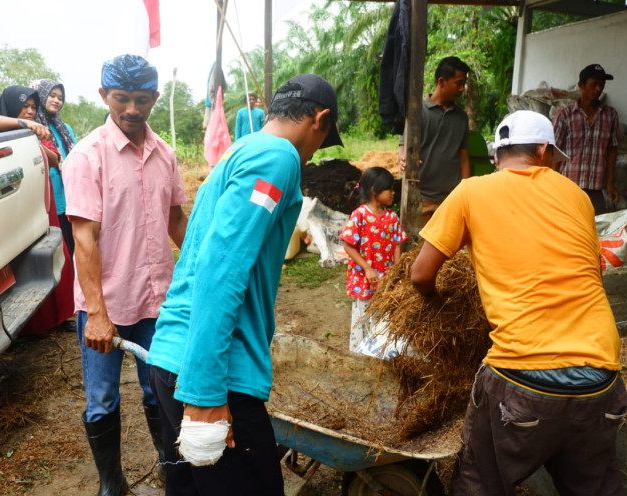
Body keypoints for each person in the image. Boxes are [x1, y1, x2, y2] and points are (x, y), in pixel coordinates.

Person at [410, 110, 627, 496]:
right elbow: (592, 271)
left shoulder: (471, 191)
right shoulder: (578, 197)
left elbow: (420, 275)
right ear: (544, 150)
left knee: (480, 484)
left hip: (522, 375)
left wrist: (436, 303)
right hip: (601, 375)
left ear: (497, 155)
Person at [146, 74, 343, 495]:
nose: (311, 157)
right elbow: (221, 268)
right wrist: (204, 392)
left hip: (171, 358)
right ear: (319, 119)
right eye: (321, 142)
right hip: (213, 374)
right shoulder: (278, 156)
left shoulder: (239, 151)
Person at [62, 54, 188, 496]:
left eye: (140, 100)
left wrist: (197, 274)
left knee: (161, 391)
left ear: (154, 97)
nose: (131, 110)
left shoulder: (165, 154)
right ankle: (111, 484)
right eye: (121, 99)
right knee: (101, 398)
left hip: (158, 302)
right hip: (106, 306)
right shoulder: (86, 157)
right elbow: (84, 240)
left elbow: (176, 222)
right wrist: (97, 313)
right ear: (103, 96)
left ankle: (171, 470)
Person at [0, 85, 74, 335]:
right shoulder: (3, 126)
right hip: (9, 206)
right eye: (25, 106)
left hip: (38, 197)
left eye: (33, 107)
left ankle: (58, 318)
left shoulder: (37, 131)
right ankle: (29, 326)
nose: (30, 111)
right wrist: (23, 124)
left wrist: (38, 143)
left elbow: (53, 158)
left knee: (53, 255)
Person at [339, 167, 406, 352]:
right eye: (390, 189)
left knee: (384, 318)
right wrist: (367, 268)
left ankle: (381, 352)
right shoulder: (360, 215)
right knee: (363, 318)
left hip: (385, 280)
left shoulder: (392, 218)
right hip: (365, 280)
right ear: (375, 190)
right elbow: (348, 245)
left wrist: (396, 272)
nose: (393, 193)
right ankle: (360, 355)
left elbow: (396, 246)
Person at [398, 56, 472, 225]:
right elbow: (403, 146)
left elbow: (464, 157)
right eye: (458, 83)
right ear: (442, 81)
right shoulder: (417, 112)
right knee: (417, 249)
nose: (462, 89)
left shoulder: (461, 117)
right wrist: (402, 159)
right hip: (420, 198)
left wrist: (466, 191)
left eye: (463, 84)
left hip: (450, 200)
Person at [553, 63, 619, 214]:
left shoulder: (610, 115)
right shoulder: (565, 115)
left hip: (595, 188)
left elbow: (612, 150)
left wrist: (609, 183)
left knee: (596, 229)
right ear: (581, 85)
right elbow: (554, 150)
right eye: (594, 84)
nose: (598, 89)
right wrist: (553, 183)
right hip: (568, 186)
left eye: (602, 85)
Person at [32, 79, 78, 258]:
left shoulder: (64, 128)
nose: (57, 100)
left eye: (60, 97)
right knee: (59, 255)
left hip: (71, 198)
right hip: (49, 200)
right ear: (41, 96)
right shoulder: (33, 127)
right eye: (52, 95)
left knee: (75, 250)